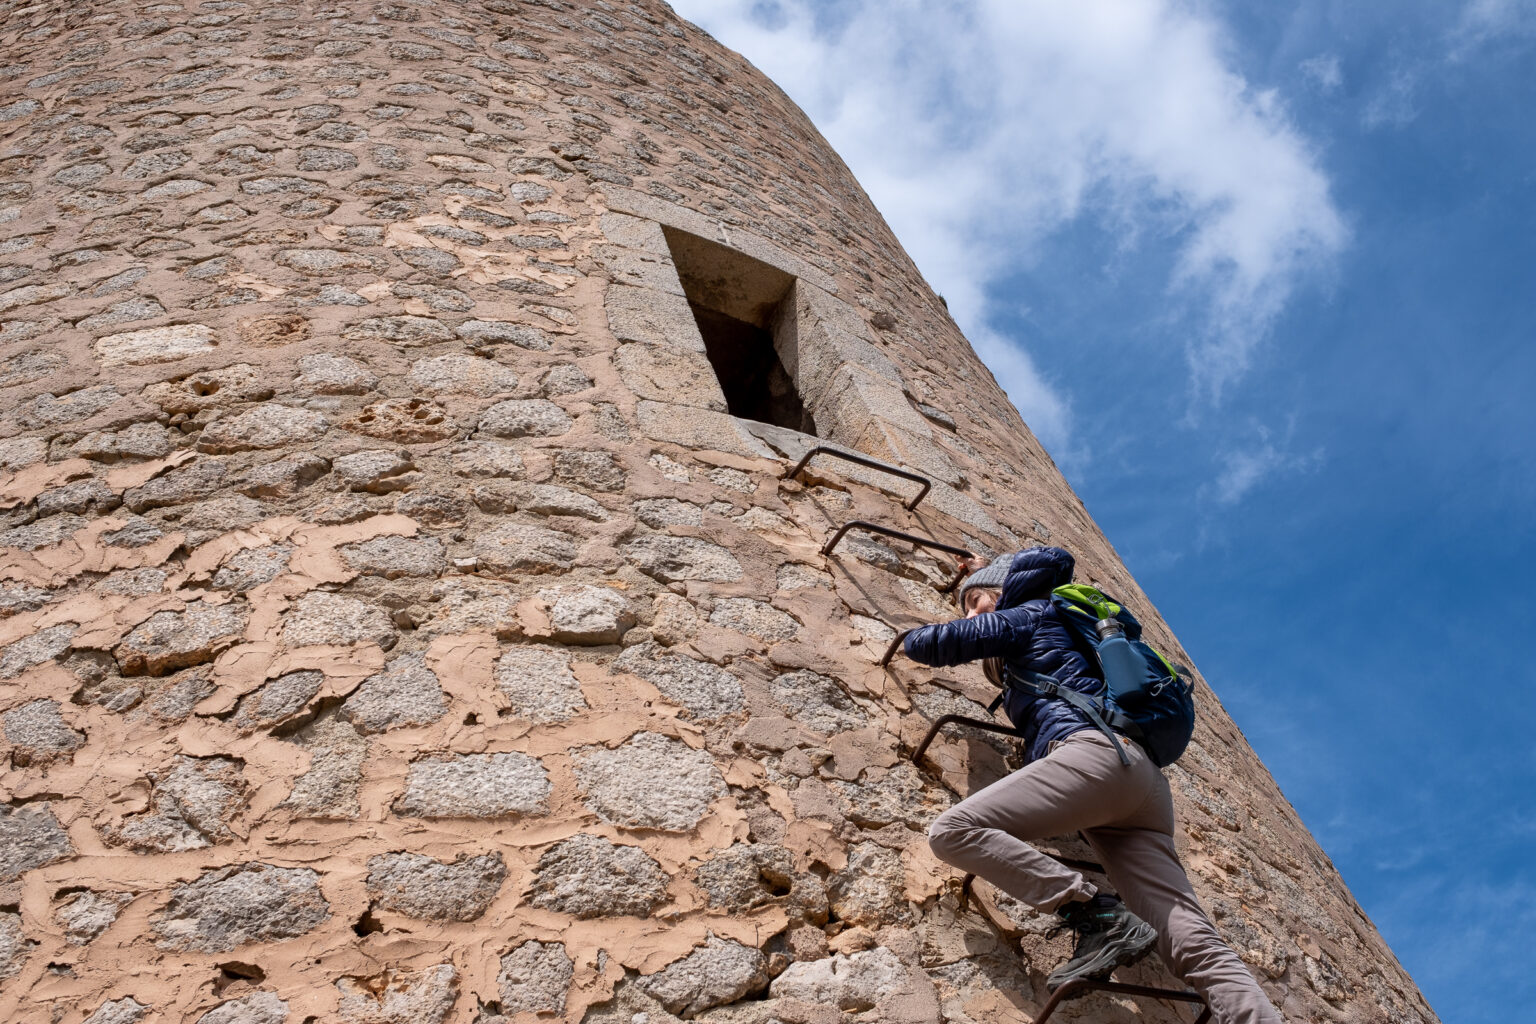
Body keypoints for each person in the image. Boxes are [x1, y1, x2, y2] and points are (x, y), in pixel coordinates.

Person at [903, 546, 1281, 1024]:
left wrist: (915, 631)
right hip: (1142, 784)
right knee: (1192, 939)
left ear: (1002, 593)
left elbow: (930, 644)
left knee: (954, 832)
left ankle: (1094, 911)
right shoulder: (1069, 624)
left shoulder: (1029, 613)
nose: (975, 609)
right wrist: (979, 572)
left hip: (1095, 758)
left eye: (978, 600)